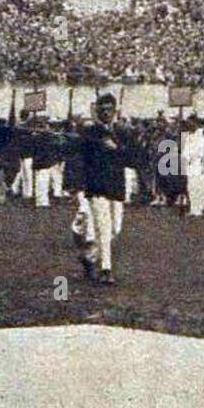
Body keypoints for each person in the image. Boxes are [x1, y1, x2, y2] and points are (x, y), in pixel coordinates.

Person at [76, 94, 126, 284]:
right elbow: (86, 157)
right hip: (97, 186)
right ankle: (106, 269)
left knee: (115, 229)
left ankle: (90, 258)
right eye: (102, 110)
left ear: (115, 111)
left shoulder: (121, 132)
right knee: (104, 227)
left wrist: (116, 148)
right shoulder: (90, 133)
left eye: (109, 109)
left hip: (116, 186)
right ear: (97, 111)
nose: (106, 113)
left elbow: (133, 156)